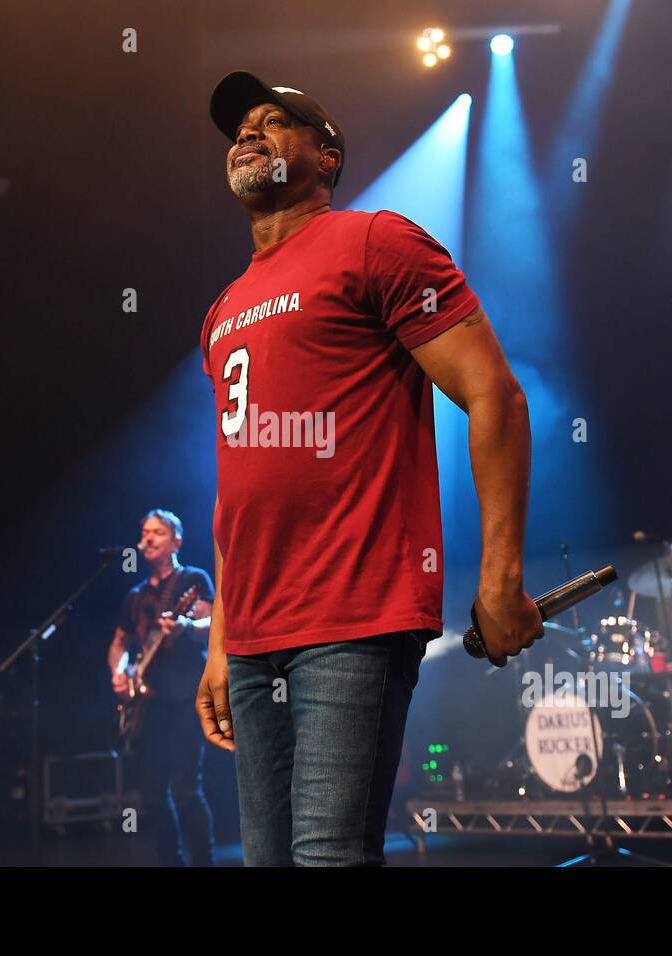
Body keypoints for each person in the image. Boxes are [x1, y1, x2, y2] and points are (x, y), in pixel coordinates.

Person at [195, 72, 542, 866]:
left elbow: (495, 395)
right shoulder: (220, 312)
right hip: (252, 638)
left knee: (328, 857)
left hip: (352, 615)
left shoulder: (375, 241)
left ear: (327, 155)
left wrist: (499, 577)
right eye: (240, 127)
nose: (248, 134)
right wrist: (220, 642)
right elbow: (238, 489)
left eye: (274, 122)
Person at [108, 509, 215, 865]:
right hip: (148, 705)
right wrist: (120, 672)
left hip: (185, 697)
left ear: (176, 541)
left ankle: (203, 861)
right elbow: (119, 644)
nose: (148, 538)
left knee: (185, 790)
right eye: (144, 532)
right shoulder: (135, 595)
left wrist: (186, 626)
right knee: (152, 795)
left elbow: (213, 625)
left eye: (157, 532)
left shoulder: (192, 580)